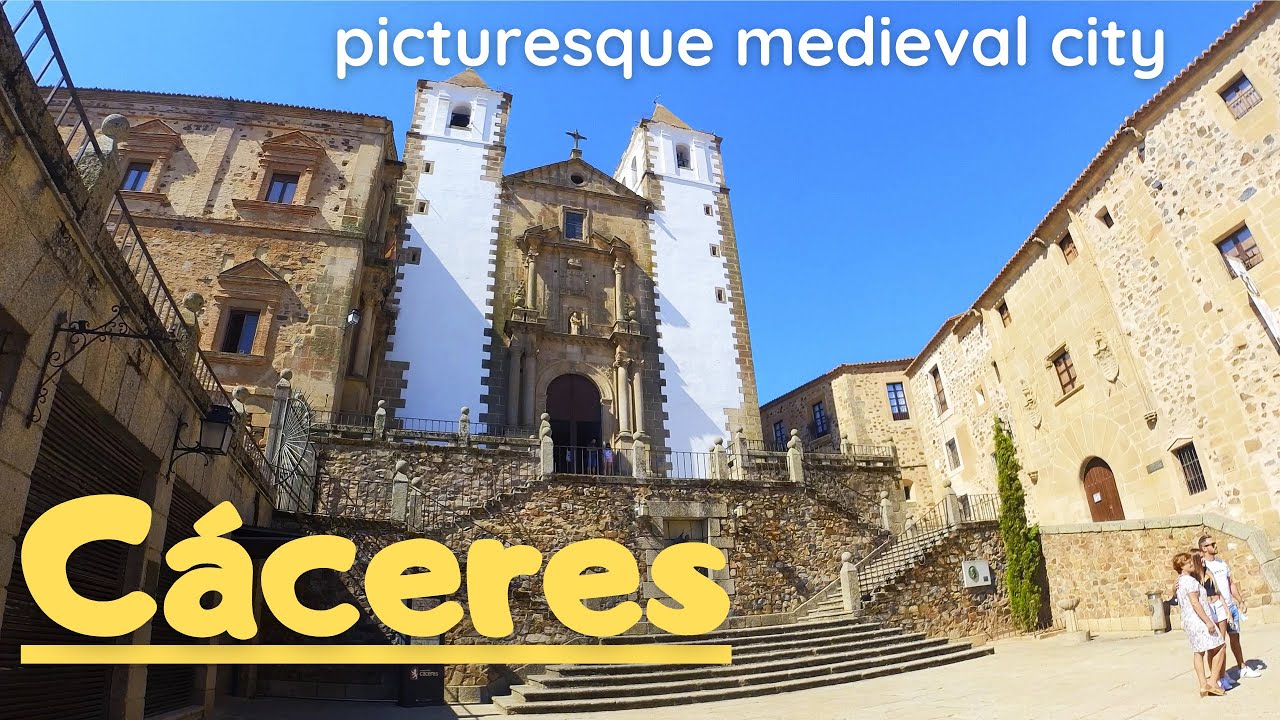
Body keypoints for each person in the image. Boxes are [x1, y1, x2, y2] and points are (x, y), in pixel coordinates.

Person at [1200, 534, 1263, 681]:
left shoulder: (1222, 563)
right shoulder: (1203, 567)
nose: (1215, 546)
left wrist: (1239, 600)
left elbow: (1230, 583)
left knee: (1235, 638)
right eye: (1212, 544)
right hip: (1216, 609)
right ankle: (1220, 675)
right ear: (1204, 548)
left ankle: (1242, 667)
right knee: (1218, 645)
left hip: (1230, 607)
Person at [1172, 551, 1227, 697]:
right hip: (1199, 621)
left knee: (1199, 651)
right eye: (1187, 562)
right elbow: (1195, 603)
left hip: (1190, 621)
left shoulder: (1180, 582)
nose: (1191, 563)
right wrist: (1208, 622)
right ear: (1182, 567)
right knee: (1221, 646)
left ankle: (1203, 685)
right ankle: (1213, 682)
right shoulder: (1189, 582)